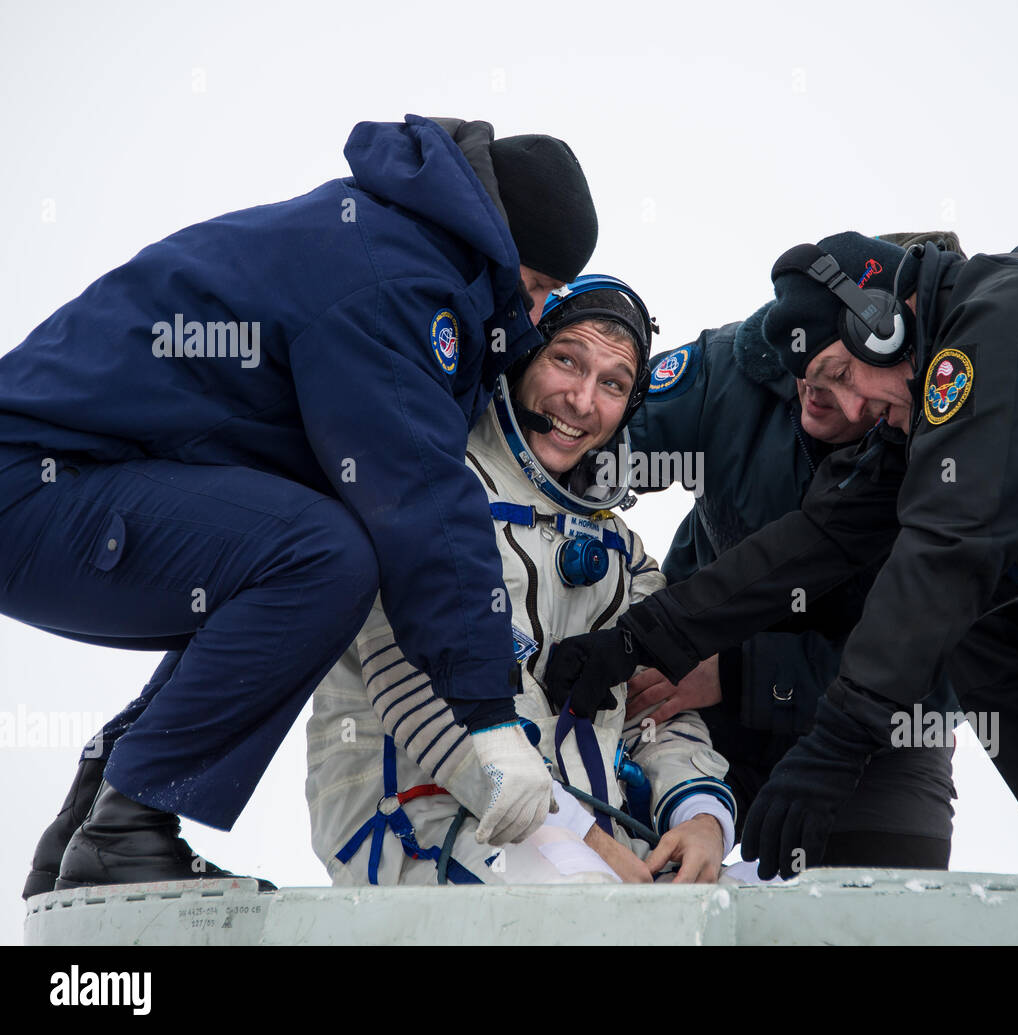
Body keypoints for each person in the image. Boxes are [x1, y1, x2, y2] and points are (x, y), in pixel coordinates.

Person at [544, 230, 1018, 881]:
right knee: (995, 643)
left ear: (884, 323)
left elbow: (952, 548)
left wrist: (834, 744)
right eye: (815, 384)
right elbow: (820, 539)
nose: (851, 407)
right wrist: (637, 638)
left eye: (844, 376)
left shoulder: (1001, 317)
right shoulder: (914, 420)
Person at [12, 114, 597, 897]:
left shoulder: (386, 241)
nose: (529, 312)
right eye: (533, 288)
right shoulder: (392, 280)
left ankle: (95, 824)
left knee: (276, 552)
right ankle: (129, 826)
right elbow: (419, 496)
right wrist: (490, 715)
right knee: (322, 557)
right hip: (34, 484)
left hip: (62, 482)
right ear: (496, 242)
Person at [306, 277, 736, 885]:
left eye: (612, 384)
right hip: (423, 831)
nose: (583, 402)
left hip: (589, 857)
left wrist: (699, 817)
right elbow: (411, 685)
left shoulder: (623, 554)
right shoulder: (430, 484)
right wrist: (573, 836)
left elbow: (659, 704)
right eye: (567, 361)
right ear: (521, 358)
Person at [622, 233, 961, 869]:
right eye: (818, 368)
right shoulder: (729, 369)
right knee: (634, 877)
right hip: (690, 687)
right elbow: (601, 428)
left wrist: (741, 674)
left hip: (876, 730)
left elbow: (951, 671)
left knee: (884, 913)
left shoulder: (957, 445)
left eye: (850, 379)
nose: (821, 391)